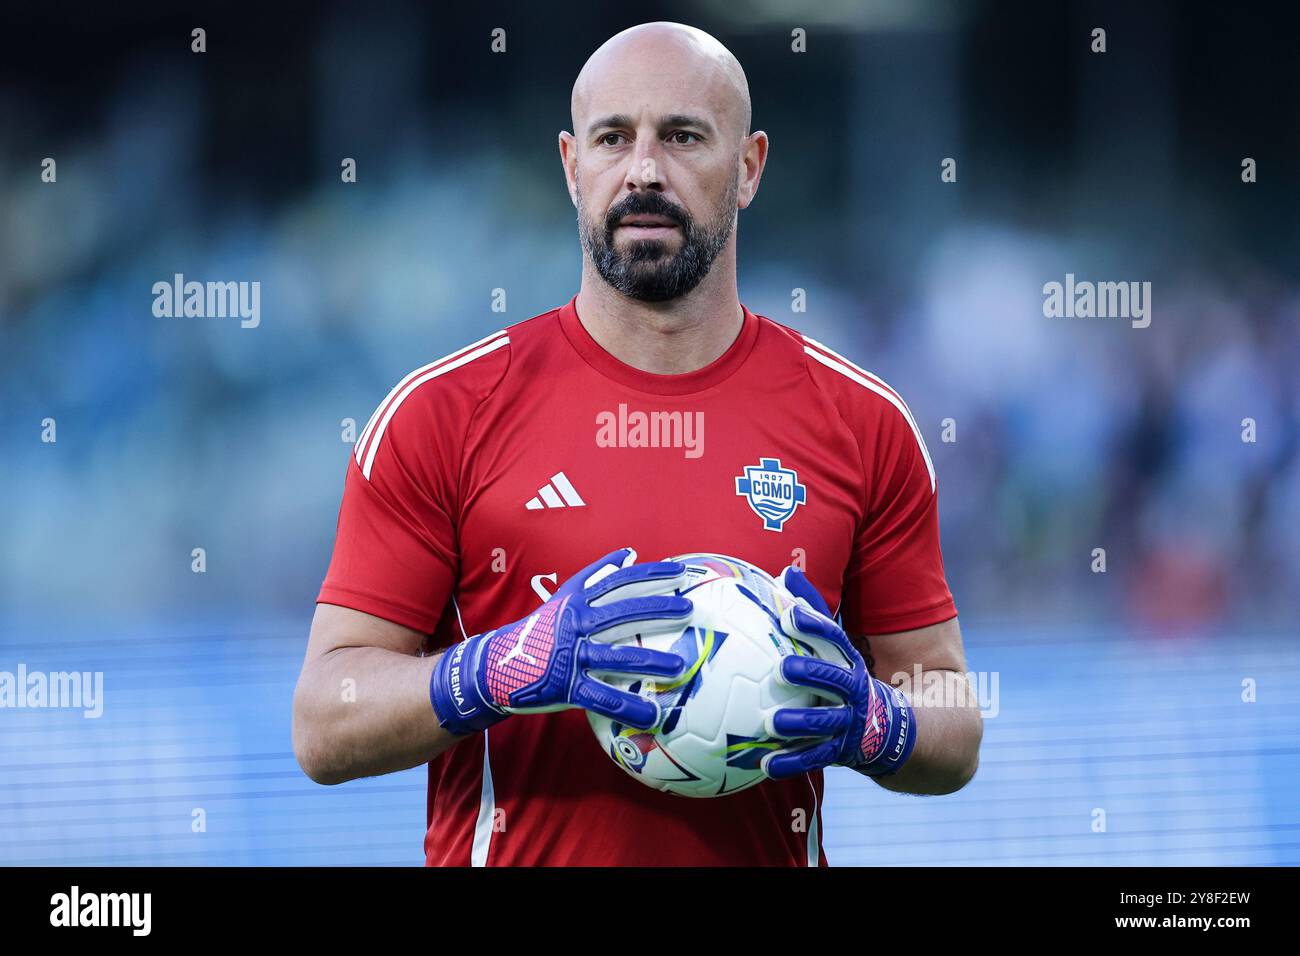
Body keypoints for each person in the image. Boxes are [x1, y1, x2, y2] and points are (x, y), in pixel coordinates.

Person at [293, 21, 981, 866]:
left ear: (751, 167)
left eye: (683, 136)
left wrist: (879, 723)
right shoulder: (442, 414)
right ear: (571, 165)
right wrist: (499, 668)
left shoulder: (865, 424)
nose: (645, 170)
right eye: (612, 138)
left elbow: (951, 715)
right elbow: (325, 720)